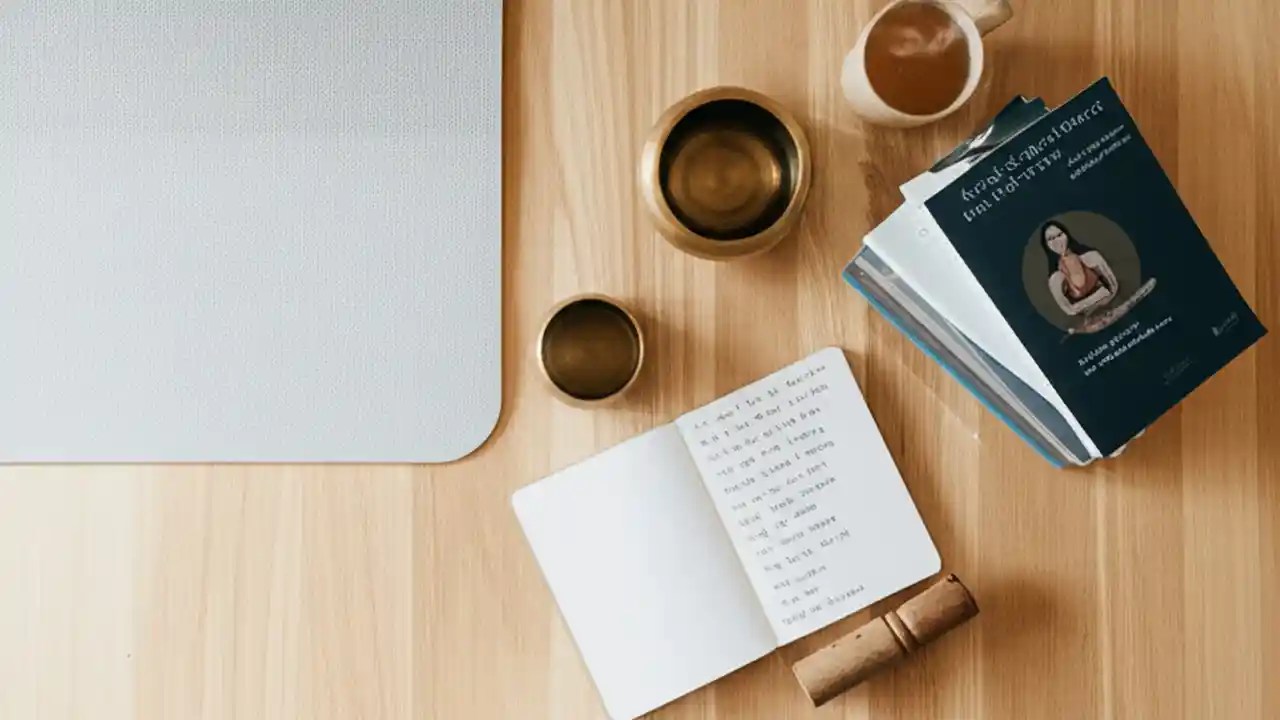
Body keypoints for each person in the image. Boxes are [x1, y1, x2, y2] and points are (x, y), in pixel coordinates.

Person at [1041, 220, 1119, 316]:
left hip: (1114, 308)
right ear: (1046, 245)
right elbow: (1069, 310)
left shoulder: (1090, 256)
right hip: (1089, 321)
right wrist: (1100, 295)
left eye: (1059, 235)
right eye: (1051, 238)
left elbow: (1113, 286)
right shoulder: (1055, 278)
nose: (1057, 241)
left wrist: (1083, 305)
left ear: (1066, 235)